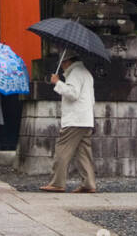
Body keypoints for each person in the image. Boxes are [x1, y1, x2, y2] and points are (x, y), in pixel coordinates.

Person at [39, 51, 97, 193]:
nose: (62, 67)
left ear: (67, 62)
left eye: (63, 63)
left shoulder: (75, 73)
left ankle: (57, 183)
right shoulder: (86, 73)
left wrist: (57, 82)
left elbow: (73, 93)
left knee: (62, 150)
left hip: (75, 120)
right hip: (85, 119)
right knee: (83, 153)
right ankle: (89, 183)